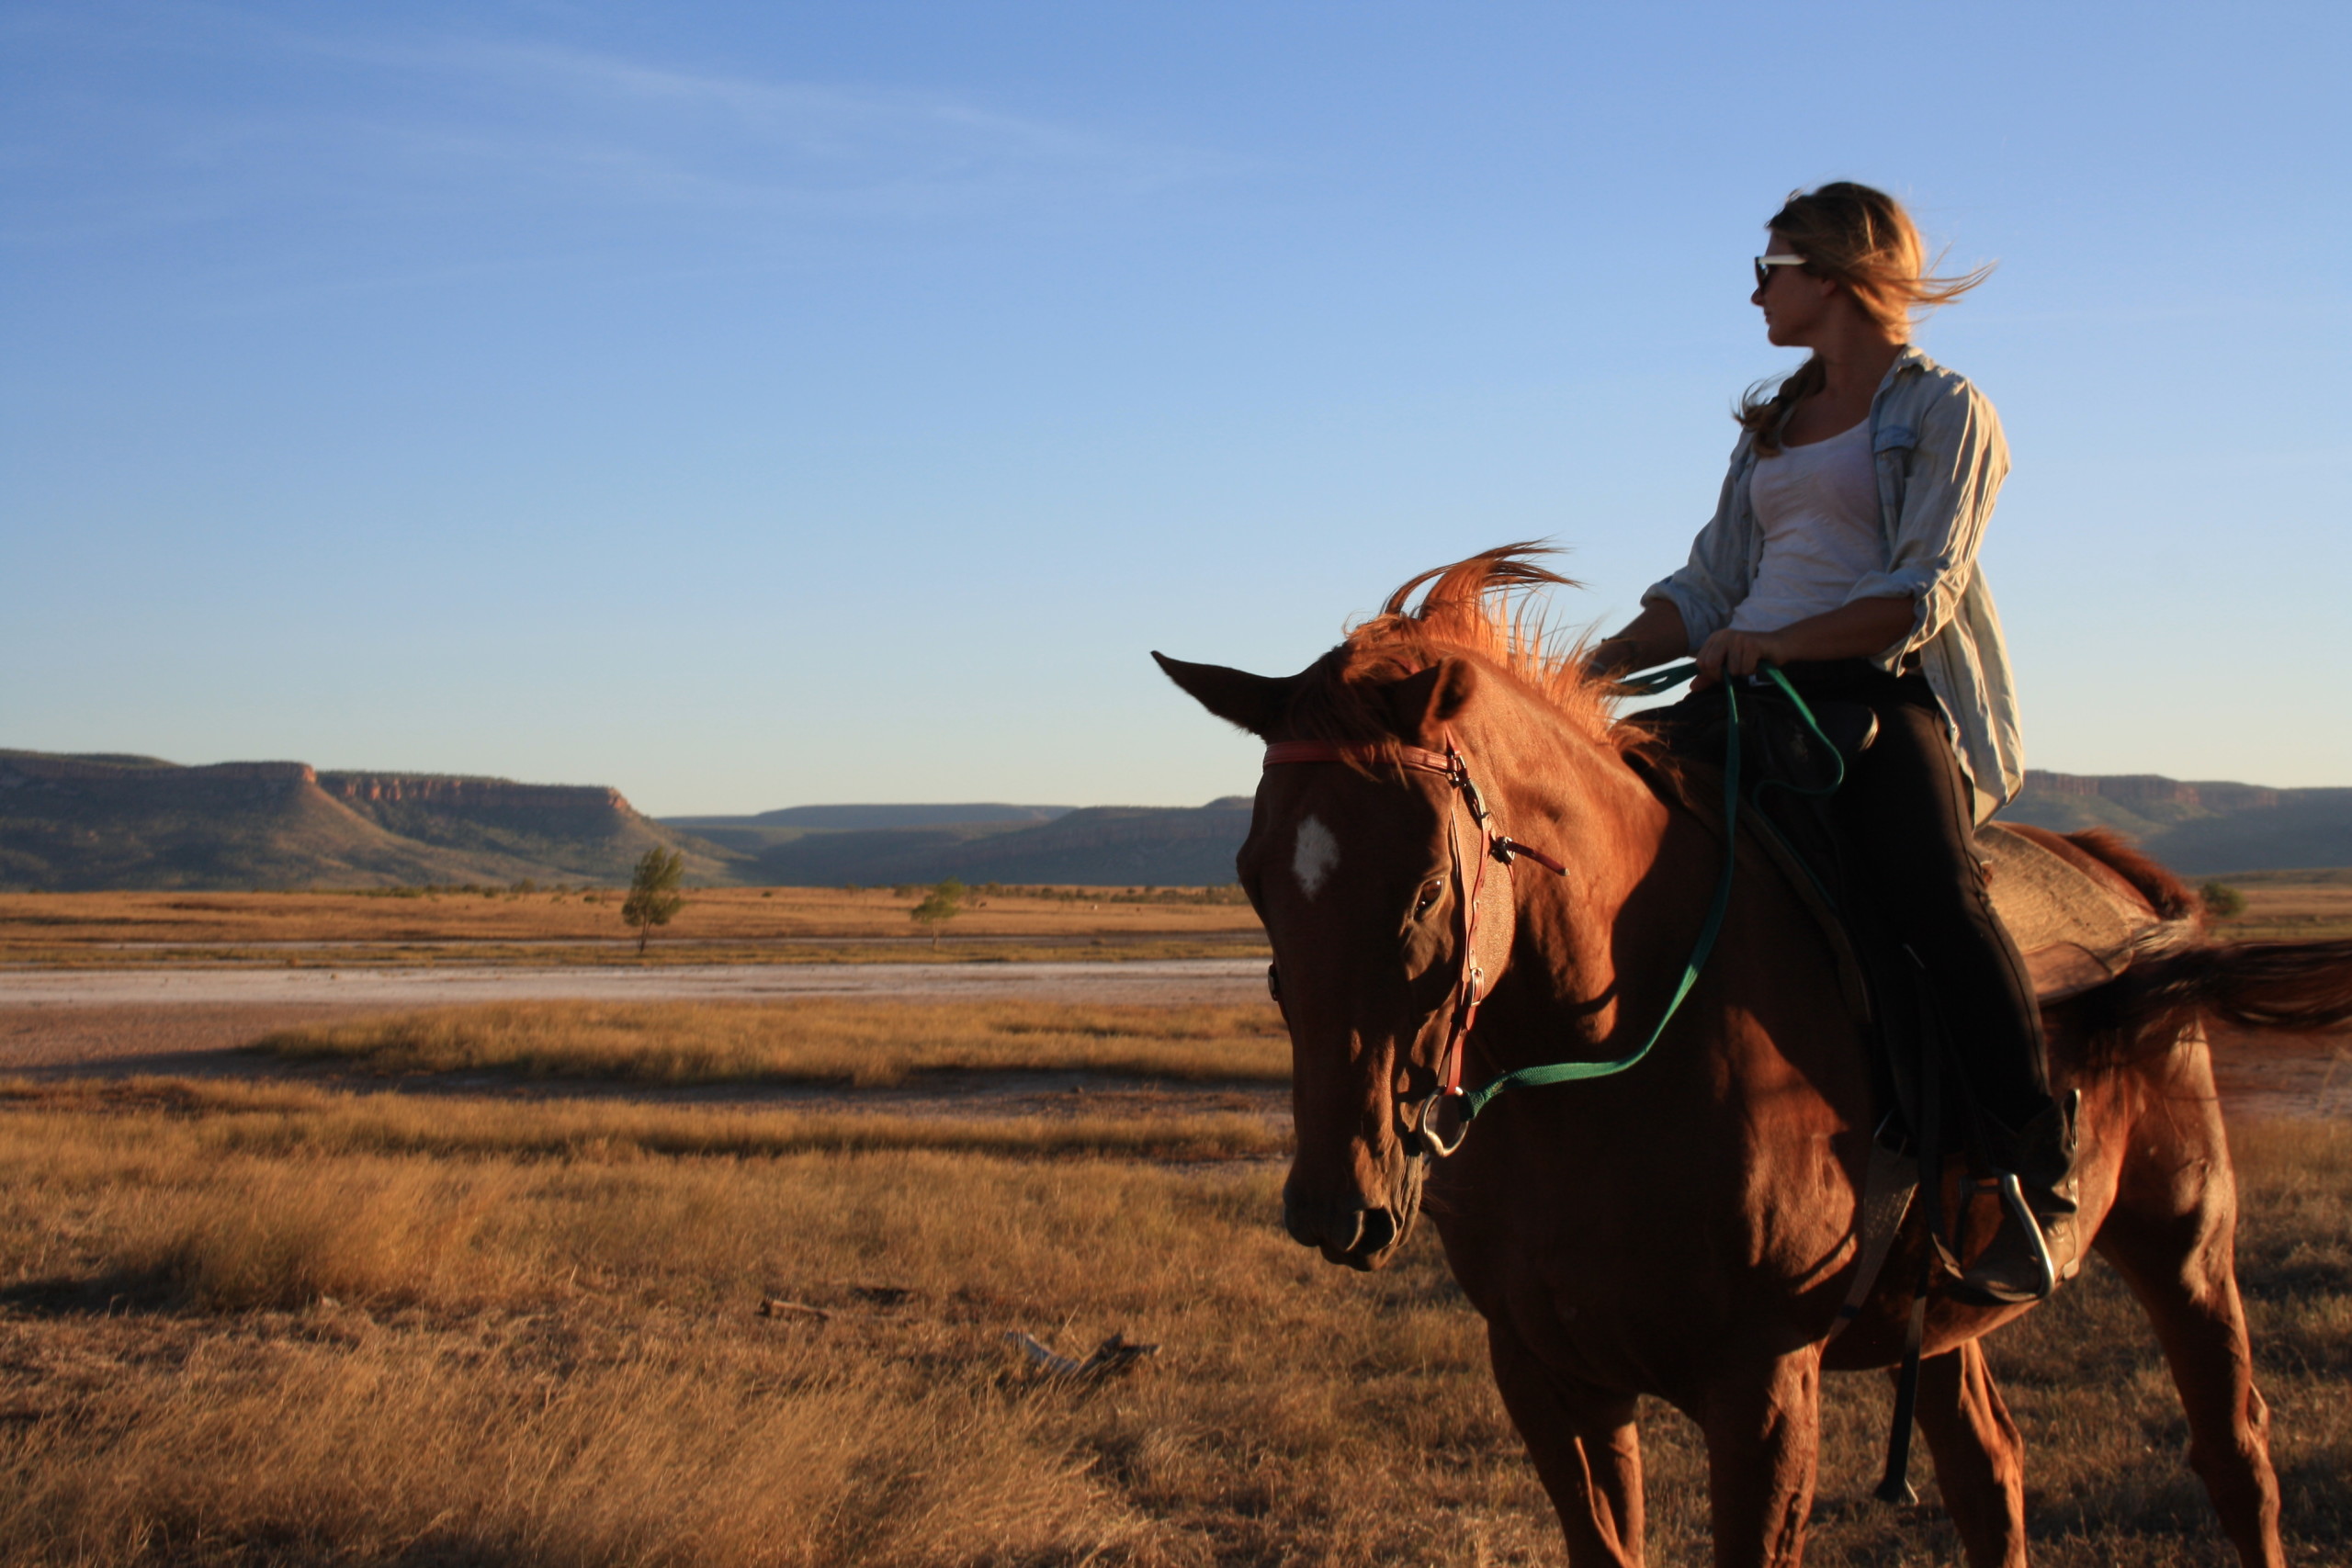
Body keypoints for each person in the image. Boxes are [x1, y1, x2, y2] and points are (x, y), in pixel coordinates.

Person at [1586, 182, 2074, 1304]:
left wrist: (1781, 646)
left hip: (1872, 690)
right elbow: (1708, 589)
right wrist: (1586, 670)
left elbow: (1919, 593)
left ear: (1841, 274)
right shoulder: (1769, 424)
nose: (1756, 290)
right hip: (1741, 683)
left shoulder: (1945, 410)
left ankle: (2022, 1168)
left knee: (1936, 902)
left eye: (1773, 268)